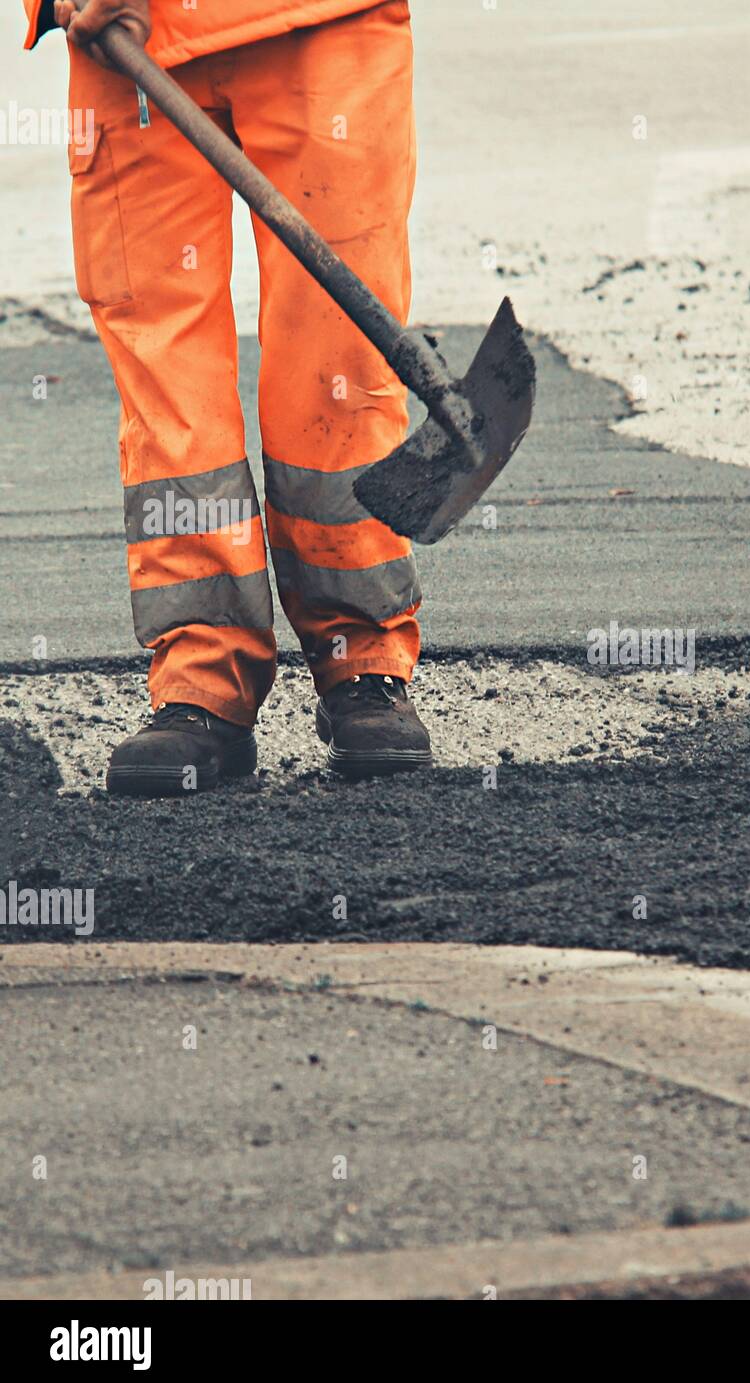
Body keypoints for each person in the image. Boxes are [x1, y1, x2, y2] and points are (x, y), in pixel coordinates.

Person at [23, 0, 432, 793]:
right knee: (166, 369)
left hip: (320, 21)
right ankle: (202, 676)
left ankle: (361, 656)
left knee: (334, 350)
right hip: (126, 35)